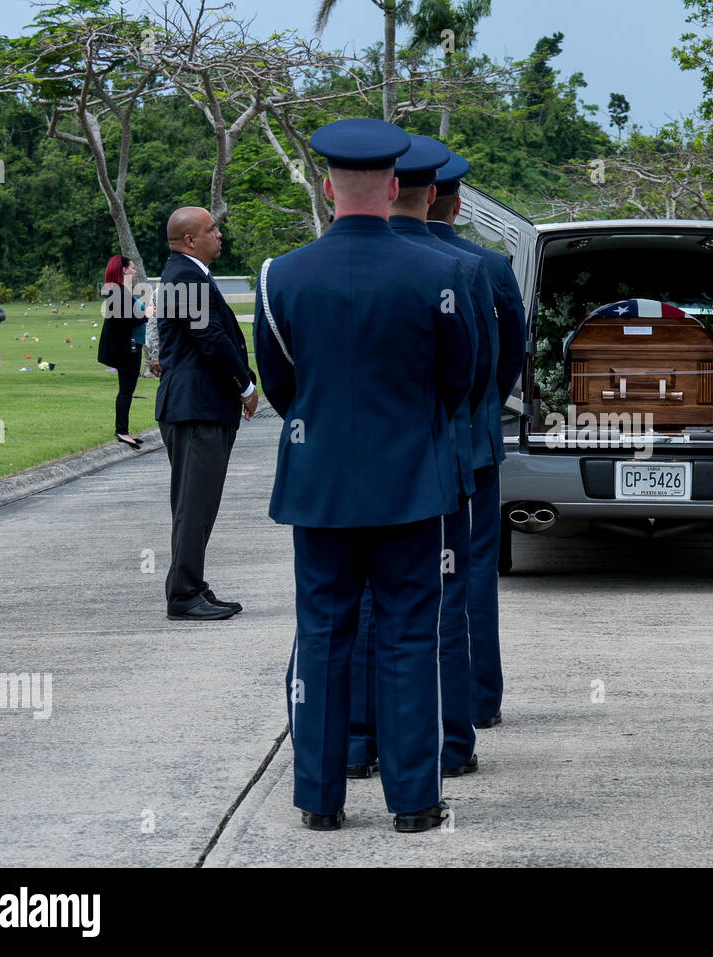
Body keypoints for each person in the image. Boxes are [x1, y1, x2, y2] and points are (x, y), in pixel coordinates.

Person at [253, 118, 475, 834]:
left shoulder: (280, 274)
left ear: (326, 188)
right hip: (411, 481)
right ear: (392, 186)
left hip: (319, 483)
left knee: (322, 633)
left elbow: (282, 383)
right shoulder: (440, 271)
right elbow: (459, 377)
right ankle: (414, 800)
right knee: (411, 636)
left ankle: (319, 796)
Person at [345, 134, 492, 782]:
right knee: (447, 597)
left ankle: (358, 740)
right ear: (436, 196)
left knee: (365, 603)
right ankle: (449, 743)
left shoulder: (339, 264)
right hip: (442, 453)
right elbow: (484, 364)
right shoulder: (468, 268)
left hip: (360, 462)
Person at [428, 151, 528, 730]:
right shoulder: (487, 264)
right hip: (474, 441)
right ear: (459, 205)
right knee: (472, 572)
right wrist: (483, 407)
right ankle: (476, 698)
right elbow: (507, 353)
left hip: (413, 446)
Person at [155, 207, 258, 622]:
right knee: (193, 505)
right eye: (211, 229)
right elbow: (210, 339)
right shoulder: (183, 276)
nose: (219, 234)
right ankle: (183, 593)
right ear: (191, 240)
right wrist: (247, 386)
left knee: (199, 504)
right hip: (194, 408)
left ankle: (193, 585)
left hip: (201, 406)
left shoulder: (189, 274)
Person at [97, 254, 156, 449]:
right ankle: (122, 431)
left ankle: (124, 430)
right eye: (132, 268)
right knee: (126, 390)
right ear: (123, 270)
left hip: (130, 346)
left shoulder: (120, 291)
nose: (135, 270)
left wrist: (146, 311)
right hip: (127, 349)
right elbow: (128, 320)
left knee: (127, 389)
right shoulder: (118, 292)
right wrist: (146, 314)